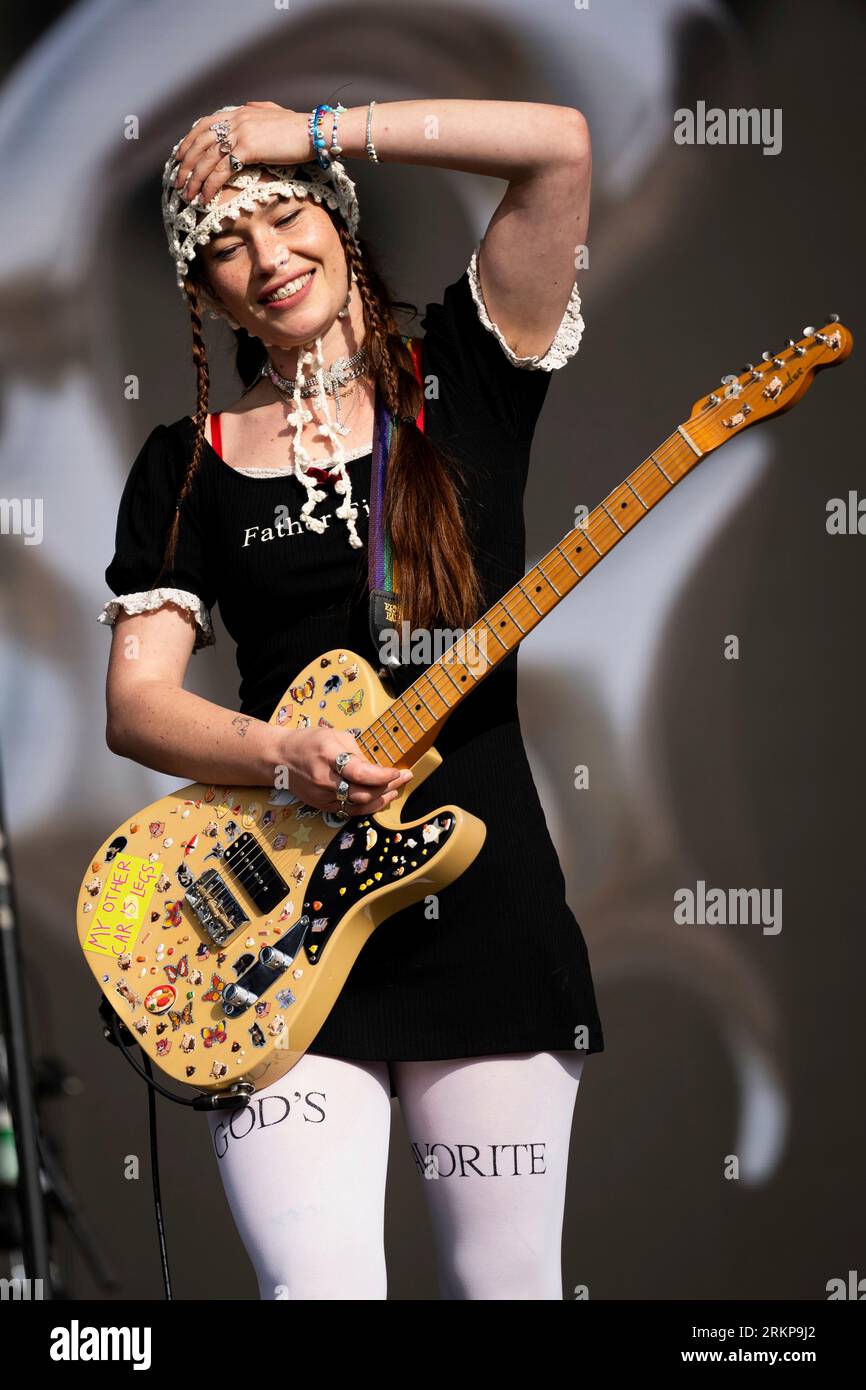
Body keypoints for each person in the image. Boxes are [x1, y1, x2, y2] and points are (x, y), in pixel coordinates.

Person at [98, 97, 604, 1300]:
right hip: (270, 934)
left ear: (338, 215)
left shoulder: (467, 373)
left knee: (508, 1287)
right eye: (228, 244)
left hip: (481, 904)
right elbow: (136, 706)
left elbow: (561, 147)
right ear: (202, 291)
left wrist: (318, 125)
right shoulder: (187, 459)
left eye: (287, 215)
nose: (268, 258)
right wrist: (286, 754)